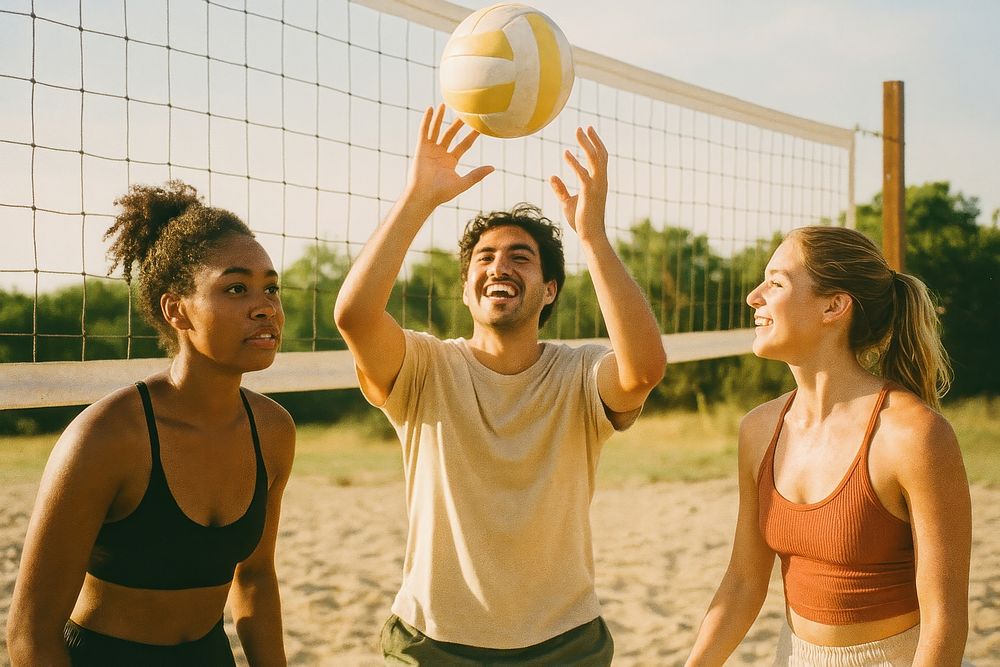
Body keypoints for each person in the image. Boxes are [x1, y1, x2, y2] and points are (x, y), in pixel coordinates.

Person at [334, 104, 666, 665]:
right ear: (466, 291)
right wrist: (419, 197)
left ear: (550, 290)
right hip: (432, 641)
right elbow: (355, 316)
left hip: (564, 642)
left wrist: (593, 237)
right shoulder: (424, 367)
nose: (499, 266)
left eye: (521, 257)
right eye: (485, 258)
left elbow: (644, 369)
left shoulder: (579, 372)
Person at [6, 181, 295, 666]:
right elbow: (29, 633)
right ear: (176, 310)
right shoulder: (106, 436)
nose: (265, 305)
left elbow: (256, 579)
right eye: (235, 288)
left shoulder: (273, 430)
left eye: (270, 287)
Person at [686, 226, 972, 666]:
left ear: (834, 306)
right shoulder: (759, 429)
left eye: (776, 282)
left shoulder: (914, 434)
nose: (753, 297)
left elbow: (945, 623)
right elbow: (743, 583)